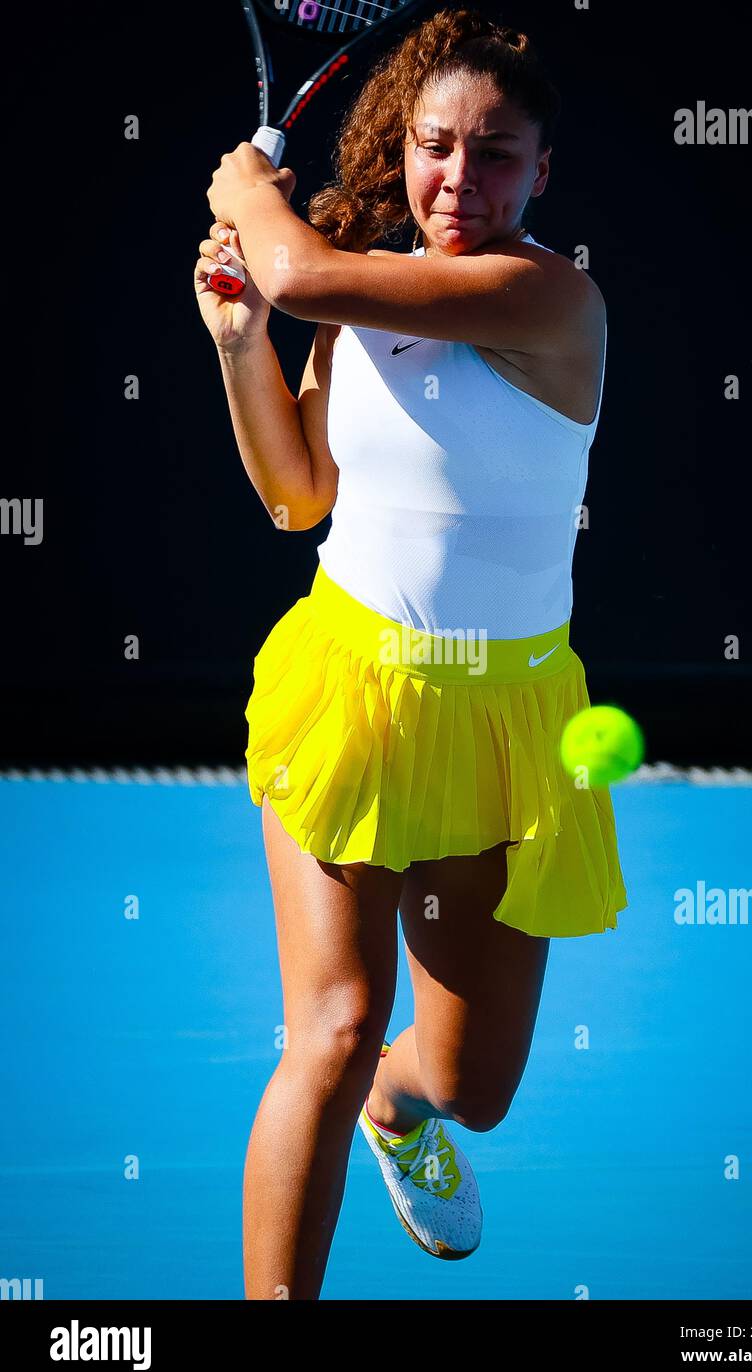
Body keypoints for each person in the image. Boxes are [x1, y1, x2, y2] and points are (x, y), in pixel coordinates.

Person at [195, 7, 628, 1300]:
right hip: (350, 689)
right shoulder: (351, 301)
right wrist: (236, 349)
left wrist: (241, 197)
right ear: (406, 144)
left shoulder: (547, 299)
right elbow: (295, 497)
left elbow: (303, 270)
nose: (459, 179)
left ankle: (403, 1107)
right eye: (438, 146)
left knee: (468, 1087)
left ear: (541, 170)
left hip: (505, 725)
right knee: (324, 1030)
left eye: (496, 155)